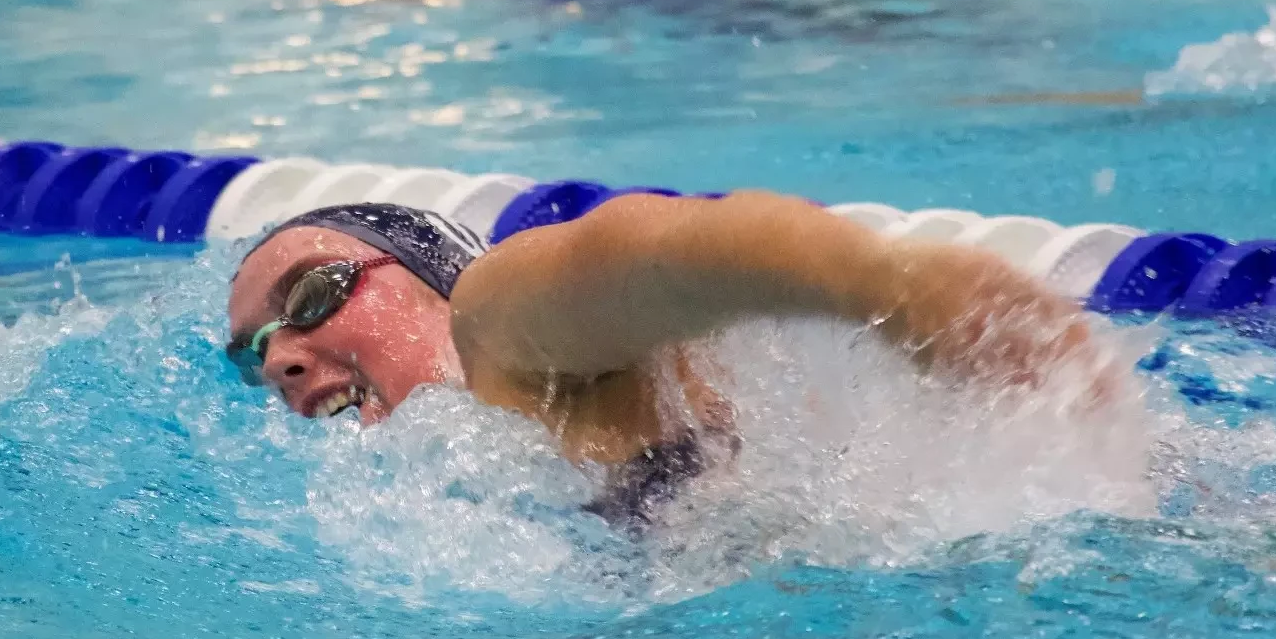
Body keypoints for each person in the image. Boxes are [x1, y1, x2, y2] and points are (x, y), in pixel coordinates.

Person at [226, 191, 1115, 524]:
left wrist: (883, 283)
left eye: (311, 298)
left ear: (435, 275)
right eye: (254, 359)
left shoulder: (494, 325)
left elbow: (657, 251)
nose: (283, 363)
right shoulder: (480, 474)